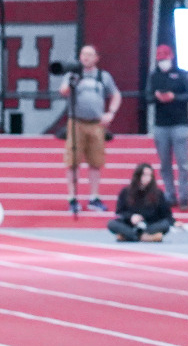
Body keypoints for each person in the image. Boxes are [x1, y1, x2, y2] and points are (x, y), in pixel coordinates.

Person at [59, 44, 117, 215]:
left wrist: (111, 113)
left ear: (96, 58)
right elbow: (63, 92)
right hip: (76, 122)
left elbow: (116, 94)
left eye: (90, 55)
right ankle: (72, 198)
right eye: (83, 54)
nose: (86, 58)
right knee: (72, 162)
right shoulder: (73, 74)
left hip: (96, 124)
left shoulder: (103, 76)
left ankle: (94, 197)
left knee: (96, 162)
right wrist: (72, 83)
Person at [148, 43, 188, 212]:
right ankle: (169, 194)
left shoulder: (181, 75)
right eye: (160, 60)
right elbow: (147, 96)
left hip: (179, 123)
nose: (162, 62)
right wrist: (157, 97)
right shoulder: (154, 76)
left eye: (165, 59)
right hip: (161, 125)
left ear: (171, 58)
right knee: (164, 163)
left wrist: (174, 97)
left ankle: (184, 196)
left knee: (183, 163)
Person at [109, 163, 174, 242]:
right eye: (145, 175)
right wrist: (131, 217)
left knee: (165, 225)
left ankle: (128, 236)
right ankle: (143, 237)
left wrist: (174, 222)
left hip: (149, 225)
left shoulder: (157, 193)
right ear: (138, 175)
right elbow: (120, 212)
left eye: (150, 175)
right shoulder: (126, 191)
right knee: (112, 224)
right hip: (130, 225)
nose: (147, 178)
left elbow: (166, 214)